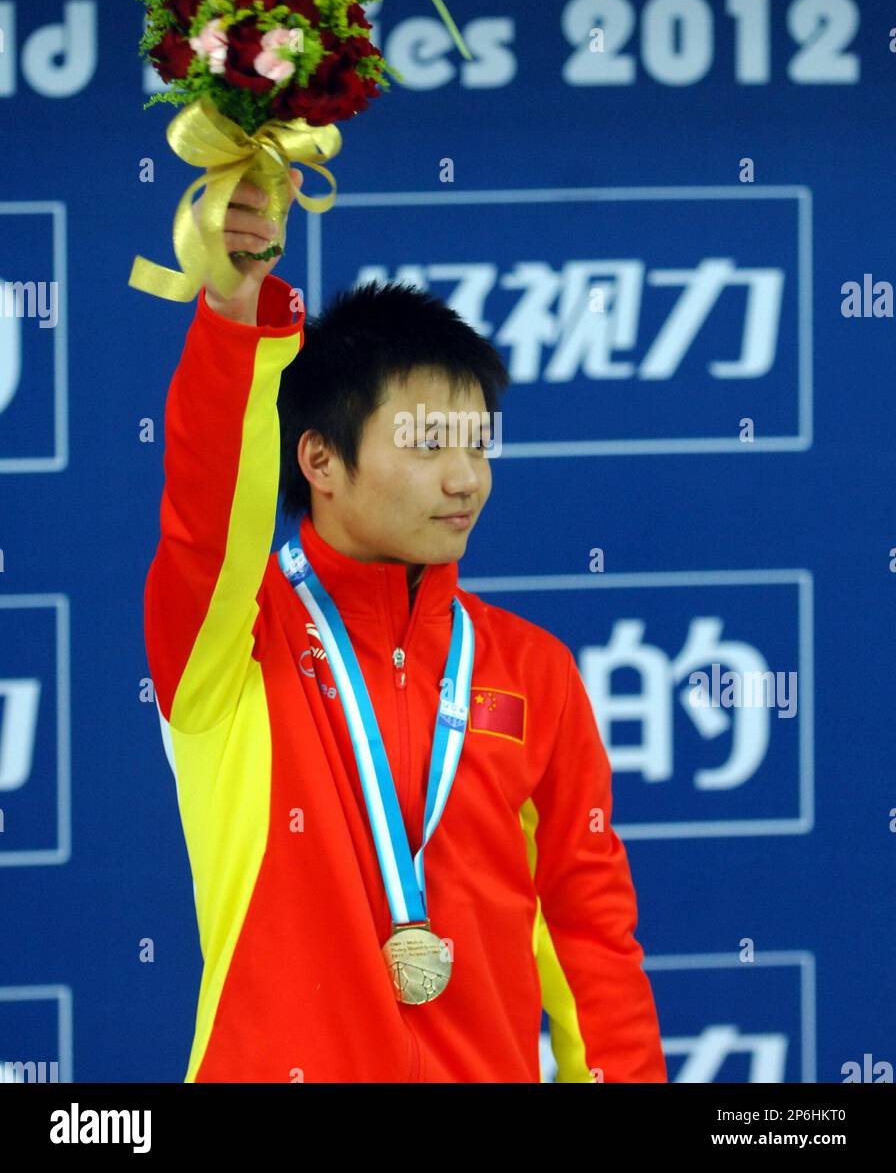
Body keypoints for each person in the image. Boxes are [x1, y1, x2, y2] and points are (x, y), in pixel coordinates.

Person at [144, 169, 667, 1084]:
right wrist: (234, 315)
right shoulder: (232, 646)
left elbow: (590, 940)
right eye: (428, 443)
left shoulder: (530, 671)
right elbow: (202, 511)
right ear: (320, 460)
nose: (466, 478)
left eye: (477, 442)